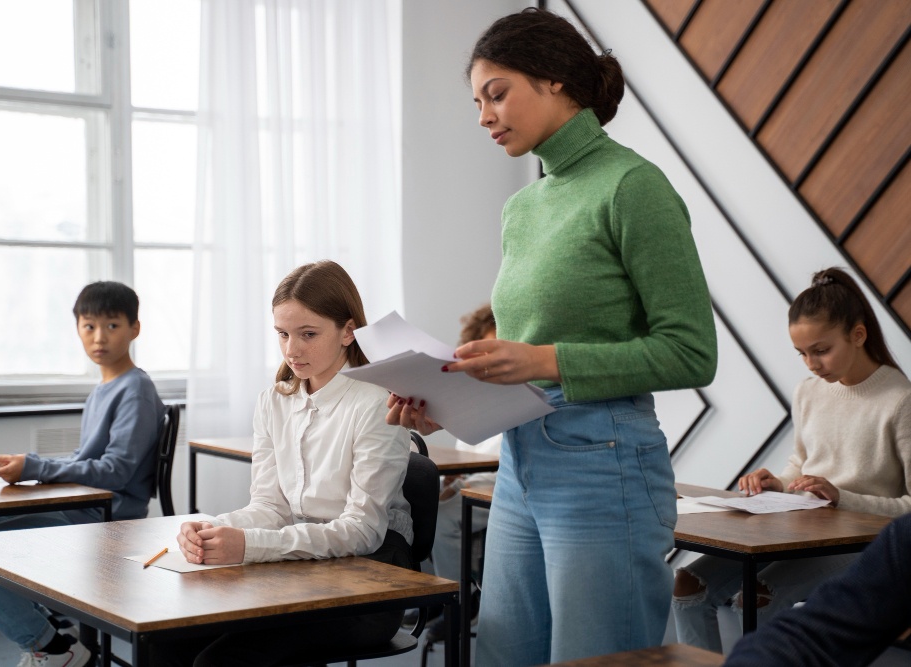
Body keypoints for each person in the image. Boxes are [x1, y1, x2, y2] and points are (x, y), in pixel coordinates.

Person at [388, 8, 717, 664]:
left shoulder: (633, 187)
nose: (484, 115)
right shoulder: (524, 207)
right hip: (520, 463)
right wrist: (445, 396)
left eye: (497, 92)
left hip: (606, 463)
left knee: (597, 659)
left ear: (557, 81)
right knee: (504, 654)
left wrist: (542, 358)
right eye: (477, 101)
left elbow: (691, 351)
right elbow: (522, 358)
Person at [163, 260, 414, 667]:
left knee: (222, 659)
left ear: (348, 331)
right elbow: (271, 506)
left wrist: (248, 545)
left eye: (308, 335)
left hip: (370, 577)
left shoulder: (376, 402)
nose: (291, 350)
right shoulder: (274, 400)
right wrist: (216, 529)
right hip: (300, 569)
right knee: (166, 642)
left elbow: (363, 531)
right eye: (282, 334)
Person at [672, 267, 911, 653]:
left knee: (756, 599)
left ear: (858, 335)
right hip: (798, 528)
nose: (812, 364)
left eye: (821, 350)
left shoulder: (900, 400)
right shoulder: (808, 391)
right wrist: (778, 484)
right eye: (802, 354)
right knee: (687, 584)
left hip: (859, 541)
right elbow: (801, 462)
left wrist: (841, 497)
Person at [0, 281, 165, 667]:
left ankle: (53, 647)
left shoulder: (135, 389)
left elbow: (114, 472)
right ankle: (57, 634)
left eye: (112, 326)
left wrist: (34, 468)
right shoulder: (104, 389)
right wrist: (21, 462)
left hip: (107, 518)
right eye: (89, 326)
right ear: (78, 329)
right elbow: (86, 458)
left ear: (135, 329)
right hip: (86, 508)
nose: (99, 337)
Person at [724, 513, 911, 666]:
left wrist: (841, 497)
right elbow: (815, 635)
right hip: (805, 529)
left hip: (855, 539)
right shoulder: (903, 539)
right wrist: (777, 484)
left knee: (759, 594)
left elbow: (903, 505)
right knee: (695, 586)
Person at [421, 304, 499, 642]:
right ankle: (438, 596)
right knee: (421, 500)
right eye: (487, 351)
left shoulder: (529, 394)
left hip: (504, 485)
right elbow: (465, 455)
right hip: (477, 481)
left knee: (444, 512)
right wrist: (451, 480)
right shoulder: (479, 398)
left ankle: (458, 600)